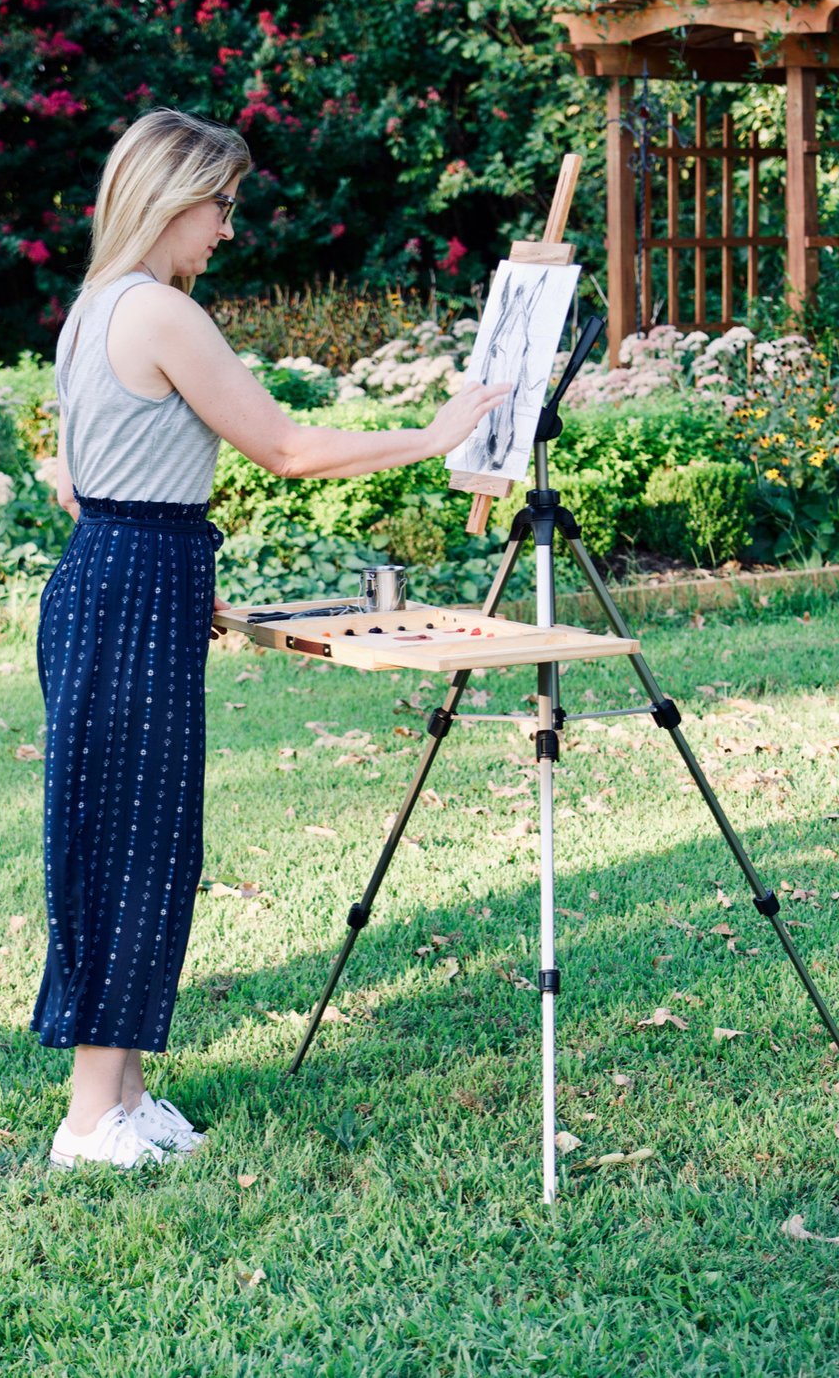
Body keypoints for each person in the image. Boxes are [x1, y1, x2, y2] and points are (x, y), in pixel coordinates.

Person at [35, 108, 511, 1170]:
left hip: (116, 576)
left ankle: (123, 1097)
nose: (229, 229)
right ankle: (86, 1120)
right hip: (128, 586)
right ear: (171, 197)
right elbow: (286, 447)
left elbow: (79, 480)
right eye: (222, 204)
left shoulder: (93, 308)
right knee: (125, 841)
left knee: (139, 835)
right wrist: (433, 435)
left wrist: (161, 568)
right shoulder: (159, 312)